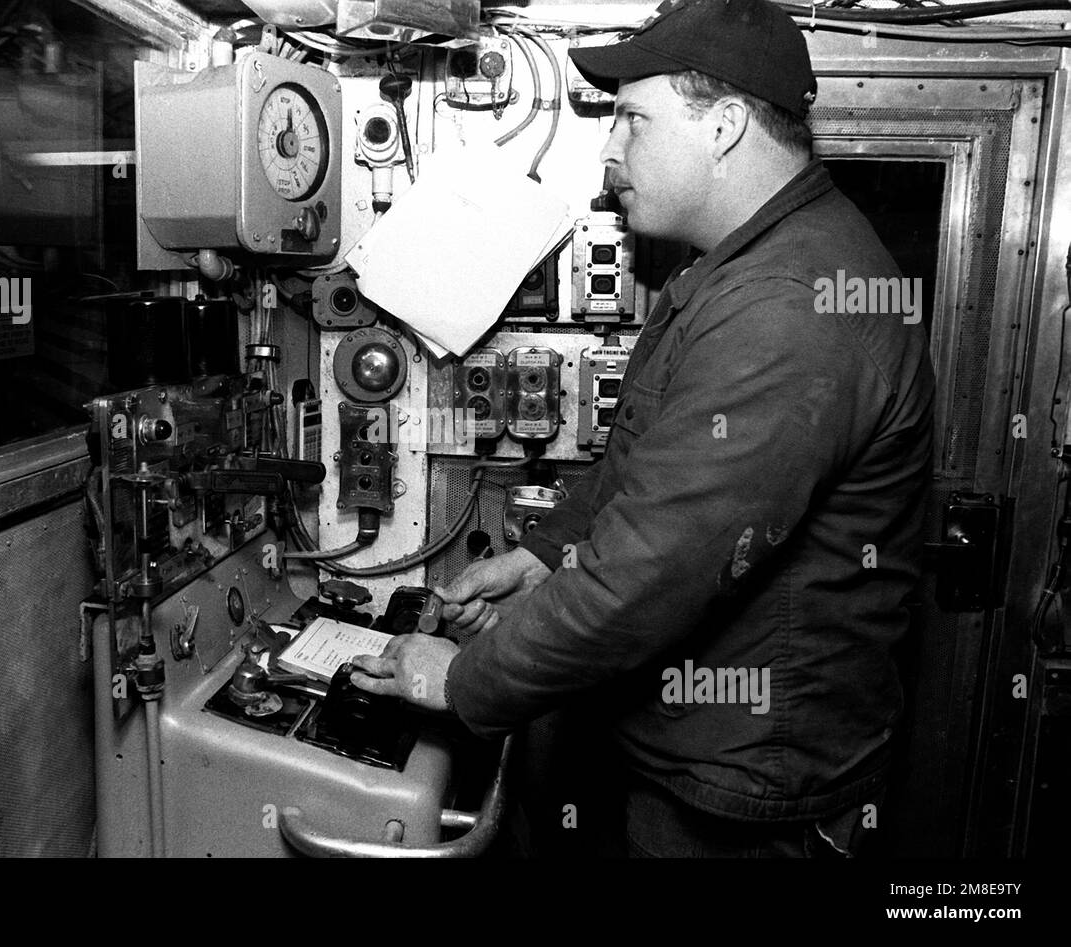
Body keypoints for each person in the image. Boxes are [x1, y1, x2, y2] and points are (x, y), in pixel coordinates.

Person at [350, 0, 935, 857]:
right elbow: (648, 459)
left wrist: (464, 678)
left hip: (744, 792)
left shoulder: (786, 303)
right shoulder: (739, 268)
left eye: (631, 117)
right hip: (706, 752)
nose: (609, 151)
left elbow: (658, 568)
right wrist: (543, 556)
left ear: (725, 126)